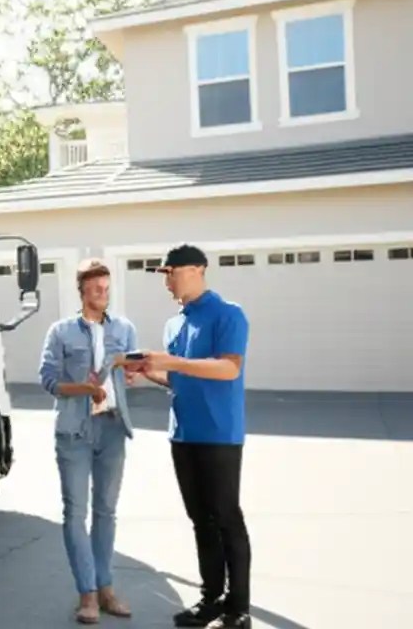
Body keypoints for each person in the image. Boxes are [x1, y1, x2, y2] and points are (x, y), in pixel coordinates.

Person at [124, 244, 252, 629]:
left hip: (219, 434)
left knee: (226, 518)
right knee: (200, 519)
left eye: (172, 272)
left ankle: (238, 608)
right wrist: (148, 372)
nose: (167, 280)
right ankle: (211, 599)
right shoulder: (174, 324)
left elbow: (228, 369)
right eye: (164, 274)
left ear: (197, 269)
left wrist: (172, 362)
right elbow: (178, 379)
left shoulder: (229, 314)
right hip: (183, 435)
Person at [38, 258, 138, 624]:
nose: (103, 294)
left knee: (106, 512)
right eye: (96, 289)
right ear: (82, 291)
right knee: (75, 514)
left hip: (112, 429)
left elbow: (131, 370)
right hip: (74, 431)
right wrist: (83, 388)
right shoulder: (61, 331)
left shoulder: (124, 329)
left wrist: (133, 377)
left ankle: (106, 587)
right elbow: (47, 379)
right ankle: (88, 594)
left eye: (107, 288)